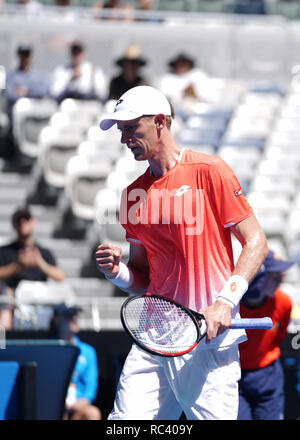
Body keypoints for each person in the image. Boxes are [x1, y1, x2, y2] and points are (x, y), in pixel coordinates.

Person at [95, 85, 268, 420]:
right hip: (153, 337)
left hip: (206, 338)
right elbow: (144, 280)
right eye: (121, 130)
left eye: (131, 128)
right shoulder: (132, 196)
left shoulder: (210, 170)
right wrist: (116, 272)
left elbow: (256, 242)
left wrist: (224, 303)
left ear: (160, 122)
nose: (124, 138)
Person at [238, 250, 294, 420]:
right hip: (235, 374)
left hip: (268, 373)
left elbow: (279, 335)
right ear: (257, 279)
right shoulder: (231, 307)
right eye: (274, 275)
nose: (280, 280)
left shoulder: (283, 302)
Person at [49, 303, 102, 420]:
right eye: (69, 315)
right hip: (53, 404)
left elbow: (90, 385)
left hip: (78, 406)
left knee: (92, 413)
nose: (74, 318)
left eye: (75, 315)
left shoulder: (88, 351)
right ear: (57, 320)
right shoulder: (48, 348)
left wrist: (82, 402)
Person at [0, 206, 65, 290]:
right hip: (12, 298)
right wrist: (18, 266)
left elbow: (61, 277)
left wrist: (41, 264)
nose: (22, 222)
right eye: (18, 220)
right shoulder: (4, 251)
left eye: (26, 219)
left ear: (33, 222)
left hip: (39, 297)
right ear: (13, 223)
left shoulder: (43, 252)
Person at [5, 45, 49, 121]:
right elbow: (10, 94)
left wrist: (26, 91)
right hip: (17, 114)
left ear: (31, 56)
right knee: (20, 107)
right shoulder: (11, 76)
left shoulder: (38, 75)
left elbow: (43, 90)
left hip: (36, 108)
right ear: (18, 55)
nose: (25, 57)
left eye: (27, 54)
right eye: (23, 54)